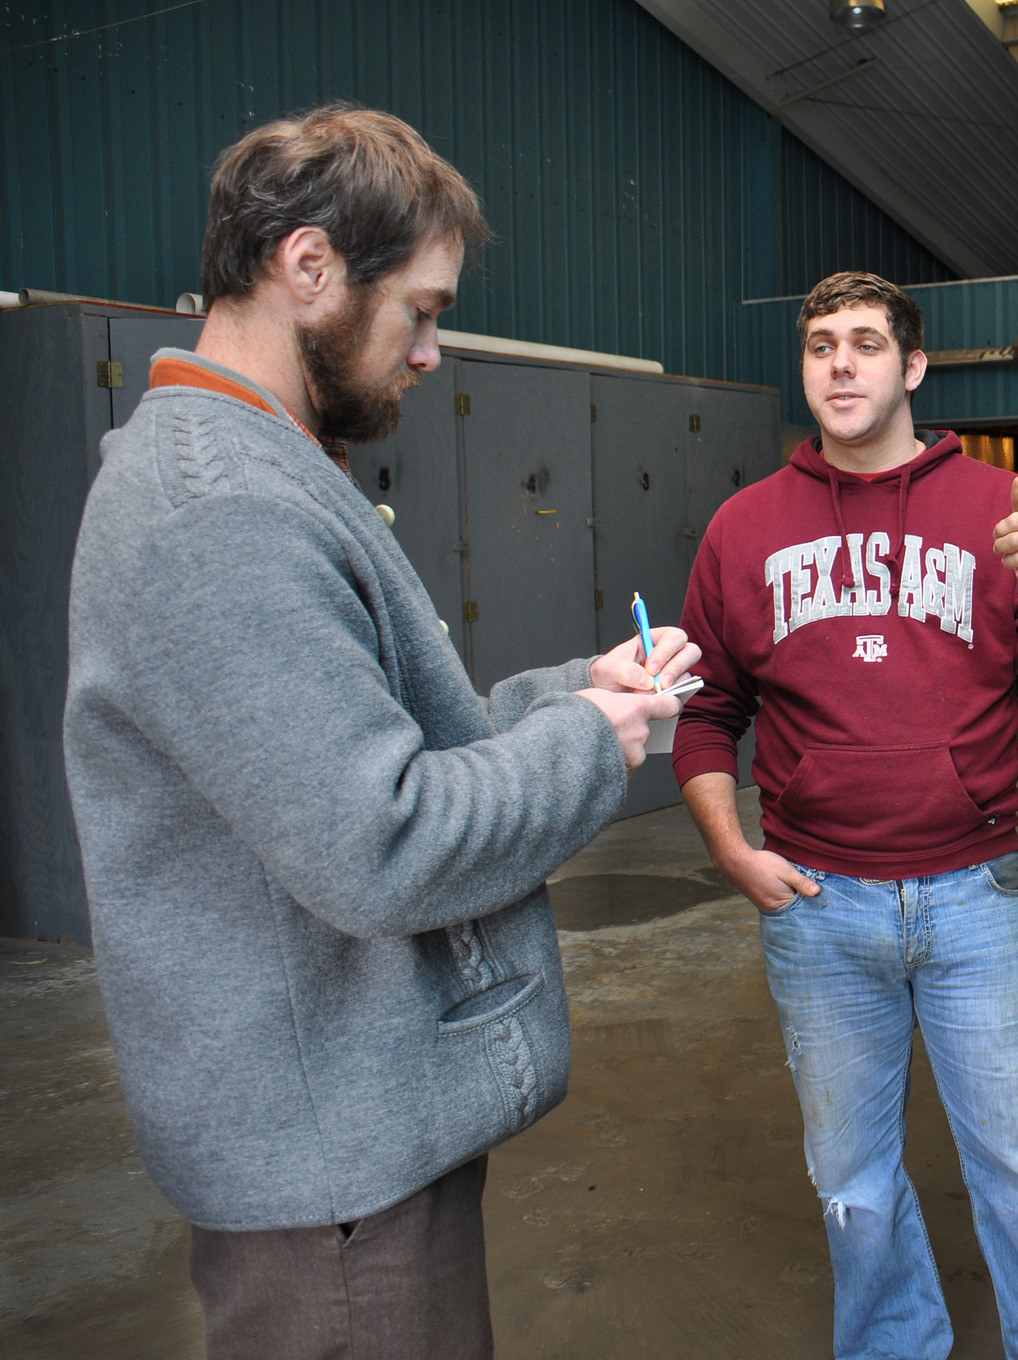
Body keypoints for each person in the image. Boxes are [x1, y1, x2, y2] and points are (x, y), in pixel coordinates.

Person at [63, 103, 690, 1359]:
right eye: (422, 308)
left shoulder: (261, 465)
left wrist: (577, 691)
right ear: (308, 268)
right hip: (324, 1192)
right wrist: (592, 745)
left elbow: (389, 743)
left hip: (344, 1149)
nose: (432, 352)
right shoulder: (217, 515)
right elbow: (381, 839)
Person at [672, 271, 1018, 1358]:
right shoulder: (743, 528)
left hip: (975, 898)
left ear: (911, 368)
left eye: (866, 343)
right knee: (851, 1183)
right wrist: (731, 848)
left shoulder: (998, 510)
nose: (840, 362)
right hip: (819, 908)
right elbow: (703, 711)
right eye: (821, 343)